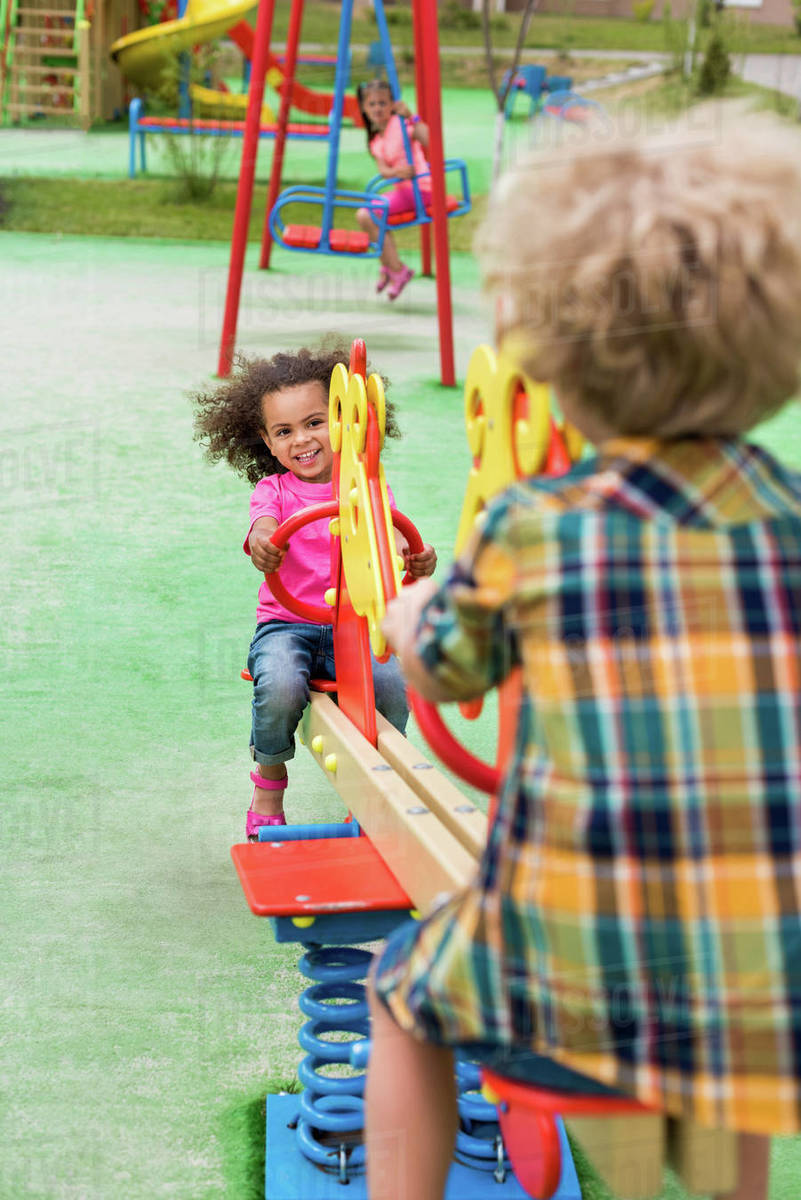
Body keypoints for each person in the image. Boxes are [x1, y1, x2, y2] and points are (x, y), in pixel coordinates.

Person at [365, 111, 801, 1200]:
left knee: (400, 992)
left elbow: (448, 670)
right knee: (721, 1068)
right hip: (770, 994)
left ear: (554, 348)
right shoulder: (789, 523)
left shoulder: (536, 525)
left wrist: (412, 612)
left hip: (568, 983)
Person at [193, 344, 436, 840]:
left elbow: (388, 541)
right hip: (288, 624)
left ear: (344, 420)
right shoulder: (274, 492)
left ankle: (378, 785)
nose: (302, 440)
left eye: (314, 422)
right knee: (280, 683)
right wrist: (263, 542)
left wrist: (415, 561)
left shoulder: (366, 485)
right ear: (267, 440)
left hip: (358, 624)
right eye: (284, 431)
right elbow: (263, 526)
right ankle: (269, 781)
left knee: (390, 684)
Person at [355, 79, 430, 301]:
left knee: (366, 214)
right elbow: (384, 170)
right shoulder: (376, 141)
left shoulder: (401, 123)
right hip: (404, 189)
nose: (378, 108)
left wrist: (411, 116)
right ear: (364, 109)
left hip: (422, 189)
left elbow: (429, 139)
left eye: (382, 103)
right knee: (369, 215)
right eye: (372, 104)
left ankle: (397, 270)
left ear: (391, 105)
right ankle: (390, 266)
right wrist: (397, 171)